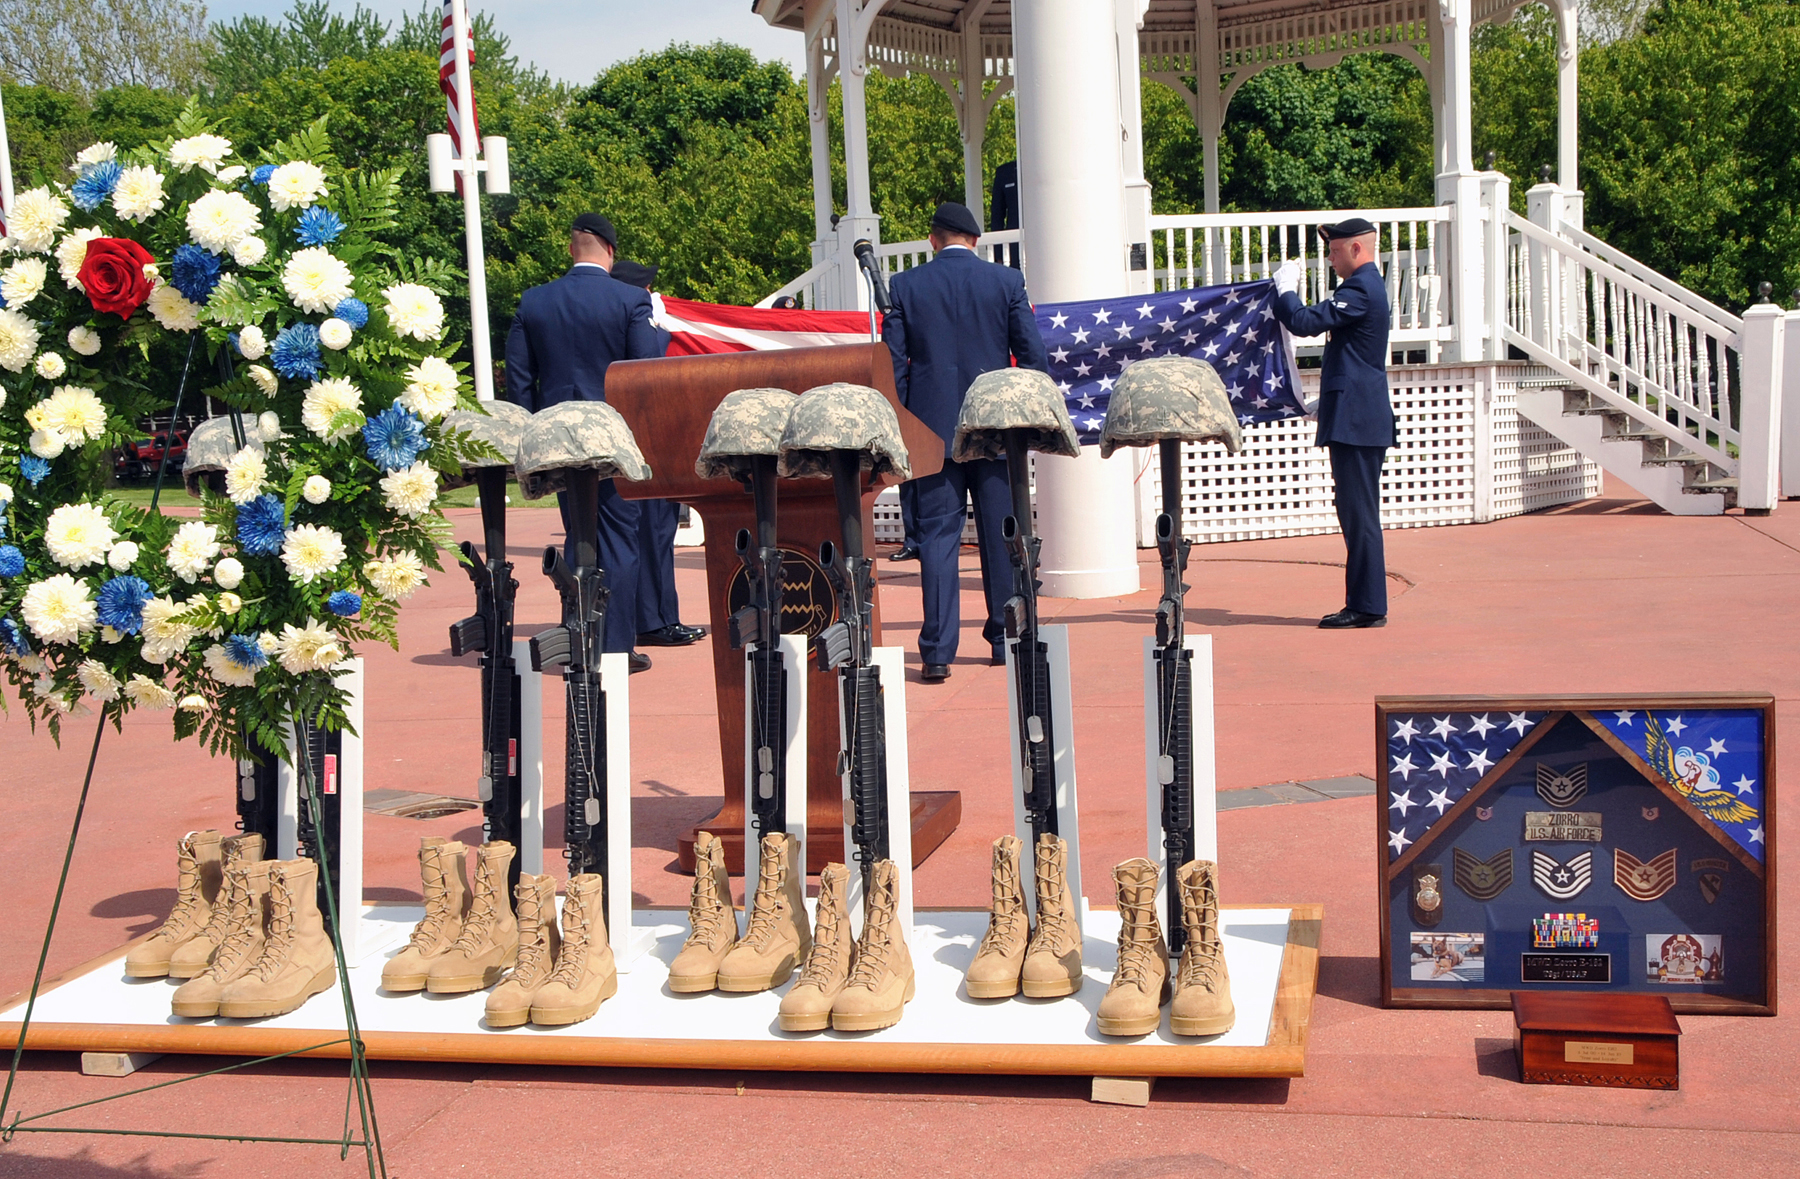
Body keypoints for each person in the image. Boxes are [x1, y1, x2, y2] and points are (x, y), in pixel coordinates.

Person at [882, 201, 1049, 682]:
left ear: (933, 240)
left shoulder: (905, 286)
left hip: (932, 432)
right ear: (975, 240)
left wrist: (907, 423)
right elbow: (1033, 358)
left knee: (937, 539)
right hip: (995, 430)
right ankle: (1003, 639)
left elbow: (893, 368)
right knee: (1002, 536)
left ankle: (936, 651)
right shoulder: (1005, 282)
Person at [503, 212, 658, 671]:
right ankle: (613, 647)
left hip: (556, 442)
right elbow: (644, 375)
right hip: (611, 440)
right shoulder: (631, 300)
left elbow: (518, 378)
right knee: (620, 541)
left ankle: (577, 636)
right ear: (610, 251)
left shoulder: (534, 301)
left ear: (571, 249)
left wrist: (534, 435)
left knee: (578, 536)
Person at [1272, 217, 1395, 629]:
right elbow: (1354, 357)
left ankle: (1367, 606)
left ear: (1357, 249)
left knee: (1359, 514)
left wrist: (1285, 291)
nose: (1330, 258)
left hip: (1358, 420)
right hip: (1354, 413)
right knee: (1353, 510)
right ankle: (1365, 602)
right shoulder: (1364, 287)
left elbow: (1305, 323)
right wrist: (1329, 399)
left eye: (1336, 250)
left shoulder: (1361, 287)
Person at [609, 258, 706, 649]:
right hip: (643, 437)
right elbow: (646, 363)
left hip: (631, 438)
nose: (653, 294)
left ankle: (654, 616)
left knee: (650, 533)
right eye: (647, 289)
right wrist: (662, 332)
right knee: (653, 532)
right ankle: (654, 619)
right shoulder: (638, 317)